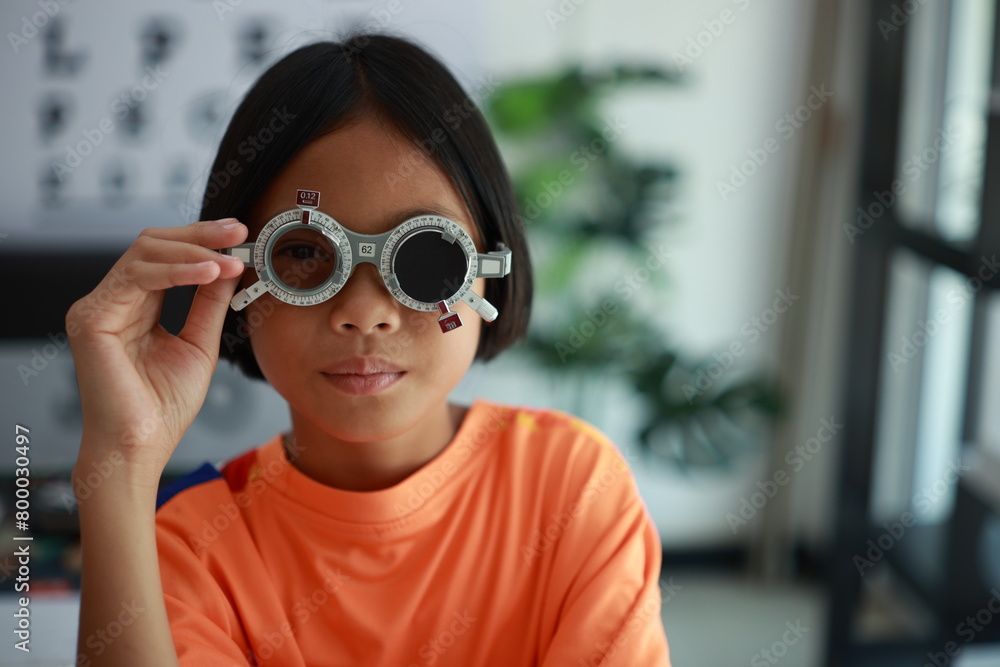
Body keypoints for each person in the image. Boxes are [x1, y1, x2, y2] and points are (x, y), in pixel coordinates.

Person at [67, 32, 671, 666]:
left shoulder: (571, 486)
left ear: (491, 272)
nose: (364, 313)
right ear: (236, 276)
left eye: (427, 255)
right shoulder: (190, 541)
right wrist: (119, 465)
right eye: (304, 252)